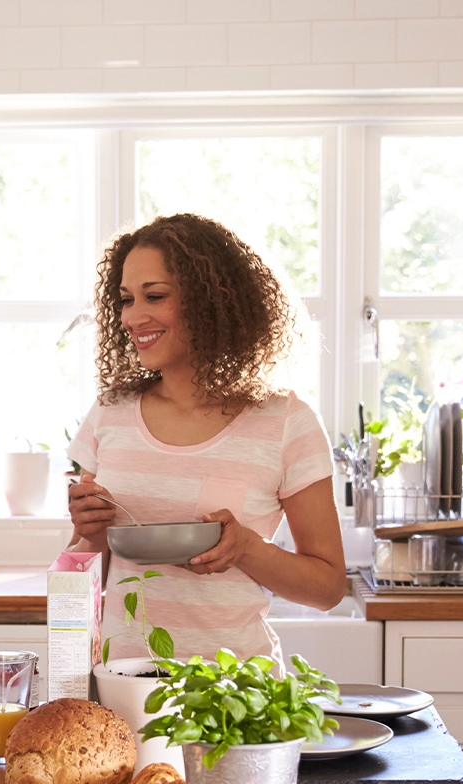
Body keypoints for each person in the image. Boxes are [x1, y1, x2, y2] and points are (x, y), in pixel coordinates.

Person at [66, 213, 345, 665]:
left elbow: (327, 588)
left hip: (235, 691)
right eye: (126, 299)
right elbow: (80, 575)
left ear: (209, 302)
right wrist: (90, 535)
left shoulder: (285, 421)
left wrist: (246, 549)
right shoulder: (109, 413)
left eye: (155, 296)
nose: (132, 317)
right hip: (121, 685)